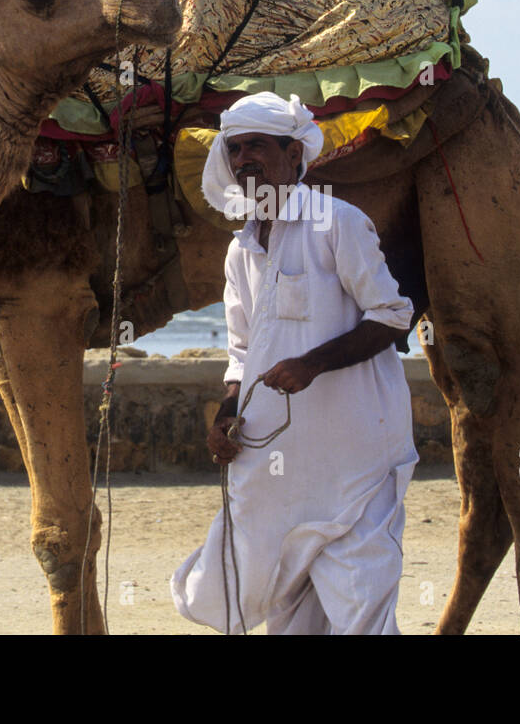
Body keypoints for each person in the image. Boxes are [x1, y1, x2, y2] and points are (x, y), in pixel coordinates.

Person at [170, 91, 418, 634]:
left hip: (356, 459)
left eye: (256, 146)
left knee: (361, 602)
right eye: (234, 150)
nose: (243, 160)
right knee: (286, 614)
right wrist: (225, 415)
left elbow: (393, 315)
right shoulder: (242, 249)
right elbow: (241, 351)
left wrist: (312, 363)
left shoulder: (338, 223)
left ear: (293, 156)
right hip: (277, 464)